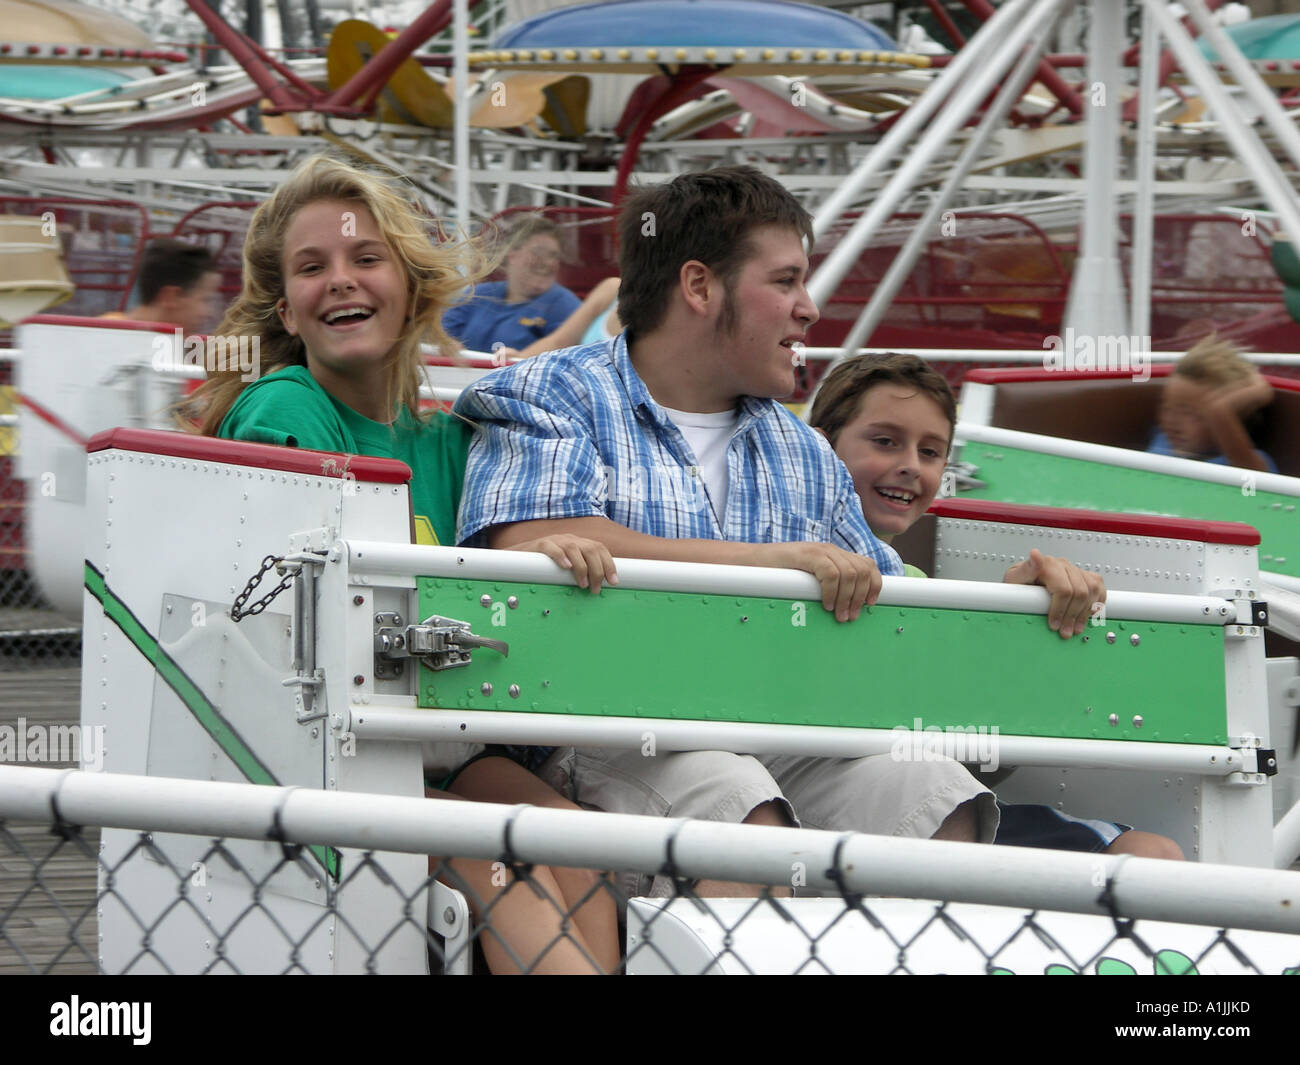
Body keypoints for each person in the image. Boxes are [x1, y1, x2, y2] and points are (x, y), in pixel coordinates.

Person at [455, 166, 1004, 900]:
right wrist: (773, 563)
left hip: (777, 730)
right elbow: (541, 535)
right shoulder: (551, 392)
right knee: (735, 798)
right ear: (699, 286)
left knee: (934, 791)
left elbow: (889, 596)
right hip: (606, 730)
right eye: (785, 281)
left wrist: (1015, 599)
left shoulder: (802, 449)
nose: (808, 309)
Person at [187, 153, 619, 974]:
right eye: (313, 268)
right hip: (326, 757)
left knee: (586, 859)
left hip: (441, 747)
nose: (341, 281)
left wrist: (543, 547)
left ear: (412, 289)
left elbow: (503, 570)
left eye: (365, 259)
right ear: (288, 307)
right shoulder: (286, 406)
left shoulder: (451, 440)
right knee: (512, 872)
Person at [808, 351, 1184, 859]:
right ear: (821, 446)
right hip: (839, 811)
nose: (909, 466)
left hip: (942, 797)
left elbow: (978, 752)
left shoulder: (915, 582)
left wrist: (1021, 617)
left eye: (931, 452)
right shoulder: (787, 568)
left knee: (1150, 854)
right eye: (884, 441)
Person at [441, 214, 581, 354]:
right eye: (539, 252)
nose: (548, 262)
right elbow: (440, 334)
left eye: (554, 255)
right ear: (512, 255)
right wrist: (447, 344)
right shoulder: (479, 294)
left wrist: (520, 358)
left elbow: (569, 358)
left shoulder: (564, 306)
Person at [1148, 335, 1277, 473]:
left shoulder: (1244, 464)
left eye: (1190, 413)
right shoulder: (1163, 440)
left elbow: (1219, 412)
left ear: (1235, 420)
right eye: (1167, 408)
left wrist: (1259, 389)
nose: (1171, 422)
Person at [104, 238, 223, 336]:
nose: (208, 313)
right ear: (171, 296)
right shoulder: (106, 337)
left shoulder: (102, 332)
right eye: (205, 300)